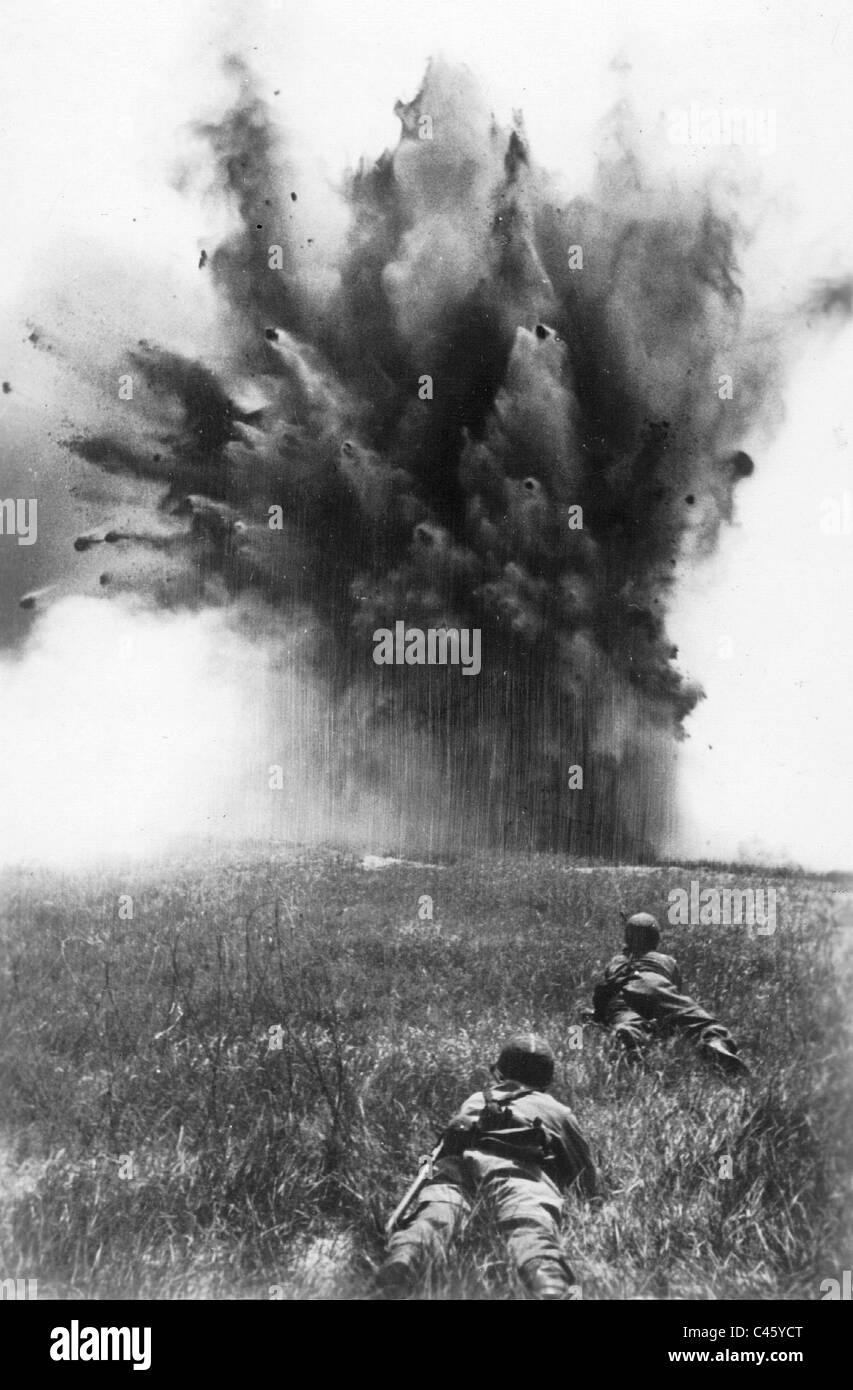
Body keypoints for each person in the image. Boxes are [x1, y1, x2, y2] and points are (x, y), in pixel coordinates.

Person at [376, 1033, 597, 1301]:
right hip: (516, 1173)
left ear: (500, 1071)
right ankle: (547, 1282)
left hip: (456, 1168)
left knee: (433, 1218)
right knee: (527, 1223)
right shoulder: (556, 1111)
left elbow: (445, 1144)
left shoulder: (475, 1099)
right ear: (546, 1078)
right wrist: (592, 1199)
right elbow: (584, 1173)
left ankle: (404, 1262)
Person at [591, 912, 748, 1076]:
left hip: (620, 992)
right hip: (655, 985)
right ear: (655, 938)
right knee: (697, 1020)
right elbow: (681, 994)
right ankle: (715, 1042)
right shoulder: (665, 960)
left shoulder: (616, 961)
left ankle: (629, 1036)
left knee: (627, 1019)